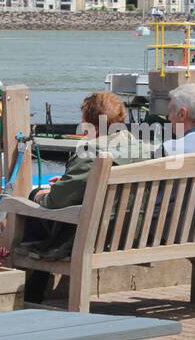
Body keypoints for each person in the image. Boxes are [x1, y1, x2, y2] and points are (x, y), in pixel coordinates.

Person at [18, 91, 149, 302]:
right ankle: (35, 287)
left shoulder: (91, 152)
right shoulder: (144, 149)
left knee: (32, 202)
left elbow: (55, 202)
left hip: (93, 236)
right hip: (131, 233)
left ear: (93, 126)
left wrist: (42, 195)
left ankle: (31, 291)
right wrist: (67, 183)